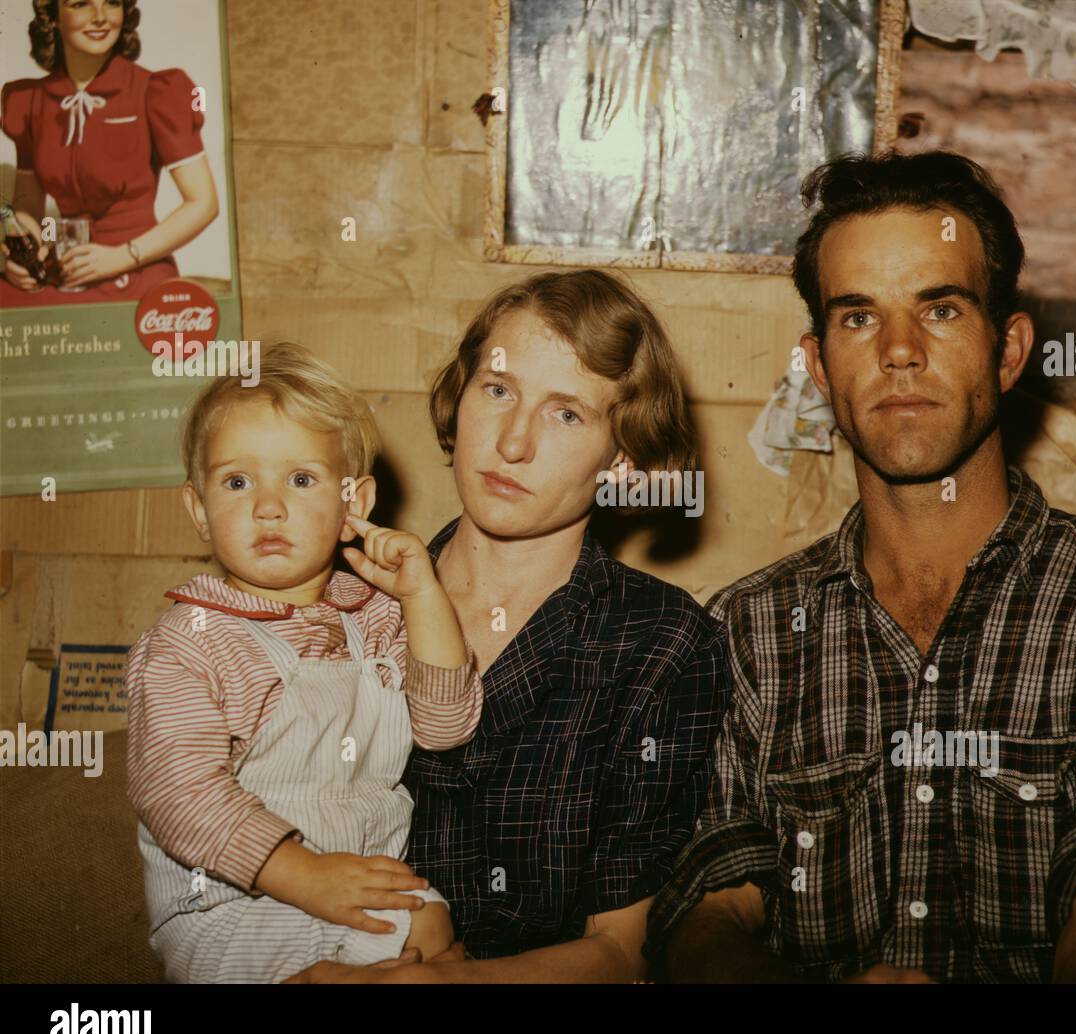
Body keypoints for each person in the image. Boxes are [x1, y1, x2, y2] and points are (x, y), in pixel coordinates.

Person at [646, 150, 1076, 984]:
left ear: (1008, 349)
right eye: (857, 317)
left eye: (942, 310)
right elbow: (710, 916)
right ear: (818, 367)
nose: (897, 351)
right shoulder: (741, 633)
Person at [286, 268, 731, 983]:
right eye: (497, 390)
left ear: (622, 460)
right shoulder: (338, 604)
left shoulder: (663, 642)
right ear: (460, 398)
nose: (513, 442)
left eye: (567, 414)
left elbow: (622, 951)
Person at [127, 343, 482, 983]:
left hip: (346, 890)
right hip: (228, 904)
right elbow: (178, 793)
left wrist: (422, 595)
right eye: (237, 482)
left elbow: (446, 725)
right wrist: (304, 874)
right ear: (198, 509)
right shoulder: (191, 641)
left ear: (355, 503)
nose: (268, 506)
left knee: (429, 925)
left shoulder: (373, 621)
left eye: (300, 479)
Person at [1, 0, 218, 305]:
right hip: (64, 270)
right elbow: (30, 208)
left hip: (138, 270)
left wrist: (122, 256)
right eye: (81, 4)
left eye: (112, 3)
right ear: (51, 18)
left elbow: (204, 203)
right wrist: (24, 256)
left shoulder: (156, 91)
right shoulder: (30, 101)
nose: (100, 18)